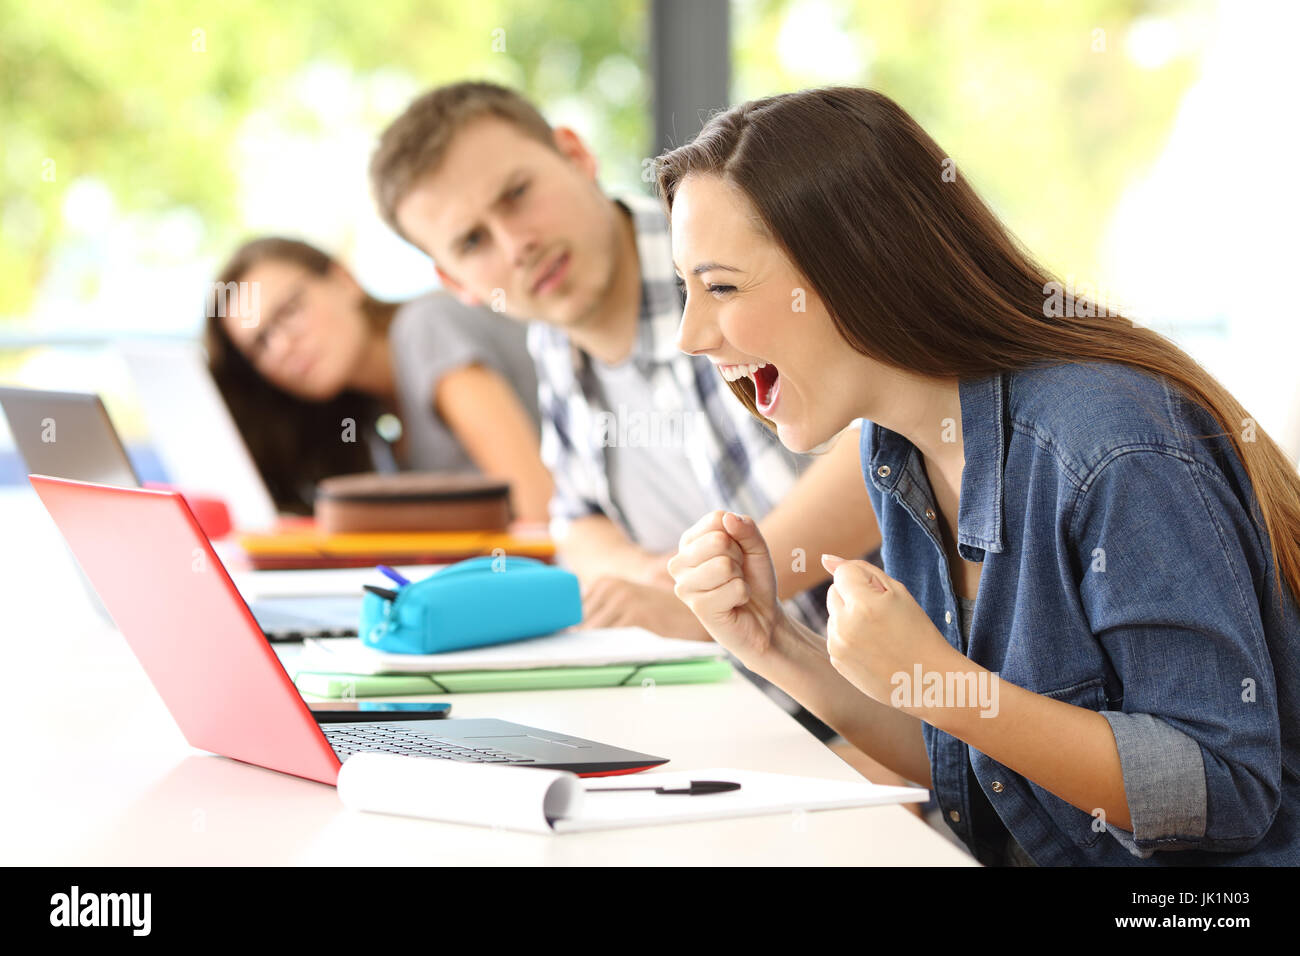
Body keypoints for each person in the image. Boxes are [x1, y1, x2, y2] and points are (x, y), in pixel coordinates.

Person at [661, 87, 1300, 865]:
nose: (692, 334)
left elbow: (1222, 791)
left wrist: (936, 681)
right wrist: (773, 645)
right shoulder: (896, 452)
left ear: (862, 265)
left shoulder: (1109, 448)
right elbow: (986, 773)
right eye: (685, 290)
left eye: (721, 286)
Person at [367, 82, 893, 764]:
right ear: (457, 283)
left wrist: (710, 595)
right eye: (474, 241)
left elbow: (894, 441)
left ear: (576, 154)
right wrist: (653, 580)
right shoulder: (555, 341)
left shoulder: (733, 253)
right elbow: (574, 518)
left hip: (890, 716)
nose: (516, 245)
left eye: (517, 194)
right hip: (755, 719)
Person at [206, 236, 553, 521]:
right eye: (260, 345)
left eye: (289, 310)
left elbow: (540, 513)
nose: (281, 346)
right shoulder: (371, 422)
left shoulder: (425, 328)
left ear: (345, 281)